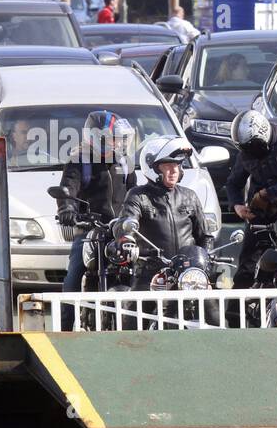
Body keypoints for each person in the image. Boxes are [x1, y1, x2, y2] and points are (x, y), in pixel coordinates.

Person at [56, 112, 136, 328]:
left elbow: (136, 193)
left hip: (121, 230)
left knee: (145, 265)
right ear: (97, 138)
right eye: (114, 139)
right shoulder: (79, 161)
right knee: (75, 271)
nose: (119, 144)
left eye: (121, 139)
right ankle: (65, 328)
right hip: (90, 228)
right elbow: (67, 190)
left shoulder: (125, 162)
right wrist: (67, 210)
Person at [226, 109, 277, 289]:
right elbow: (233, 183)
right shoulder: (245, 153)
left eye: (252, 148)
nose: (249, 153)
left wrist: (267, 194)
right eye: (245, 149)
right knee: (246, 267)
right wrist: (237, 206)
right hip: (259, 217)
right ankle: (235, 313)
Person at [119, 137, 215, 289]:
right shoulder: (138, 195)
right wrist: (126, 239)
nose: (174, 170)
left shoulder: (190, 196)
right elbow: (126, 222)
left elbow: (205, 236)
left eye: (177, 165)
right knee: (134, 311)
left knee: (213, 309)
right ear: (153, 168)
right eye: (168, 165)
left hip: (187, 274)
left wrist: (206, 258)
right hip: (150, 273)